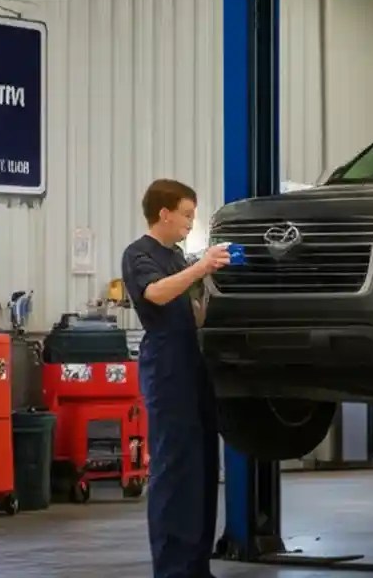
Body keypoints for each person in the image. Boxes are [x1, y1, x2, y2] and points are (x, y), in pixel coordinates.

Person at [121, 179, 231, 578]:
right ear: (164, 213)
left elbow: (191, 306)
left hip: (193, 362)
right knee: (174, 468)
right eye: (186, 215)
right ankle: (172, 570)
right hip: (167, 367)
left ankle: (196, 566)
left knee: (201, 467)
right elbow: (156, 294)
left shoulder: (179, 256)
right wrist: (201, 266)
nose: (189, 223)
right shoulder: (139, 254)